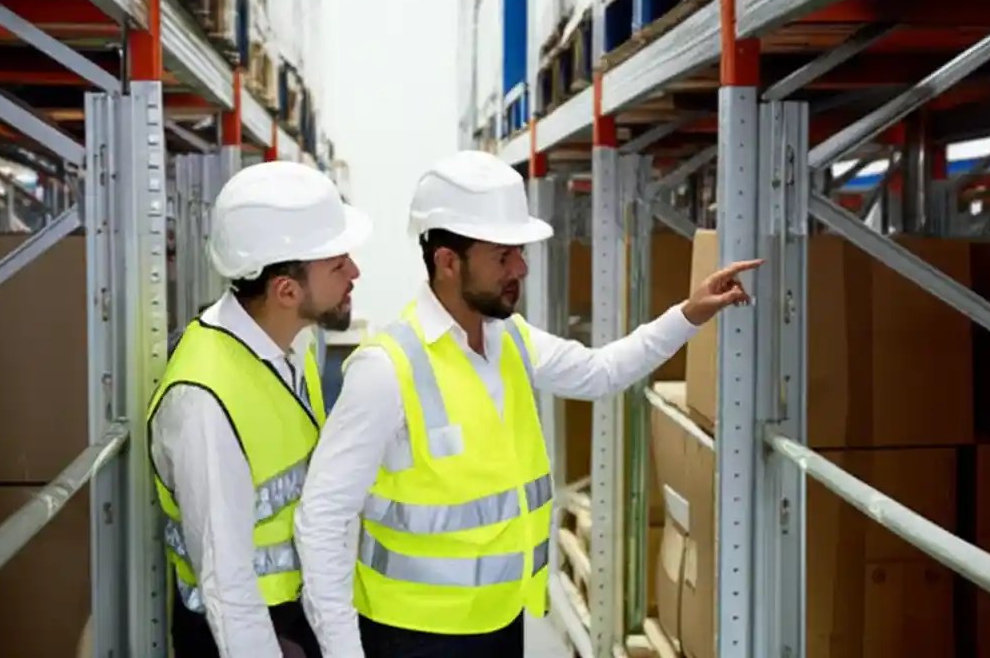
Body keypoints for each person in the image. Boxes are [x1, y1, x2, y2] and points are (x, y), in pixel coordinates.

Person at [294, 150, 762, 657]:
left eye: (519, 252)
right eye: (503, 256)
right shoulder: (385, 370)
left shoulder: (509, 340)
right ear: (448, 262)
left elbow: (601, 371)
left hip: (501, 620)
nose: (522, 268)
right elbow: (321, 518)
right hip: (414, 637)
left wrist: (689, 314)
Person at [146, 161, 371, 658]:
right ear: (286, 291)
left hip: (294, 613)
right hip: (243, 636)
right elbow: (228, 589)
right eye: (338, 264)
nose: (355, 272)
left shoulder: (295, 344)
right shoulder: (205, 400)